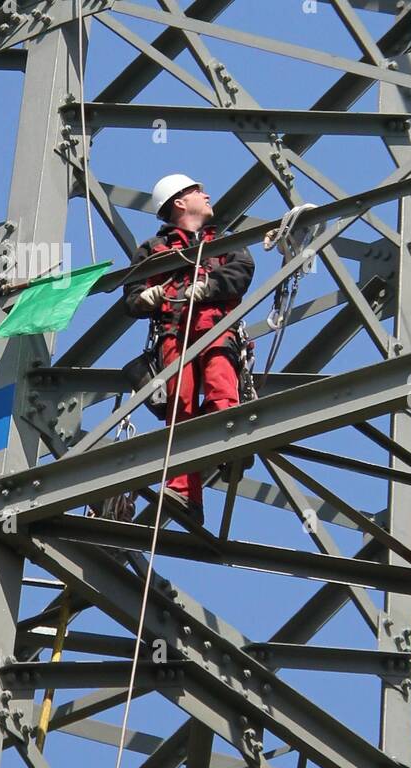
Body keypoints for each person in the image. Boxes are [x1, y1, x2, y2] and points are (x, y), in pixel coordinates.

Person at [122, 174, 255, 525]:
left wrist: (208, 288)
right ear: (180, 202)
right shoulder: (153, 248)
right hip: (173, 333)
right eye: (199, 191)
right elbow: (133, 297)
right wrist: (145, 298)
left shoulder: (223, 242)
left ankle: (232, 447)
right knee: (179, 409)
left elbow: (242, 274)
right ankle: (183, 492)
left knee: (222, 390)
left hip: (216, 328)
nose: (207, 194)